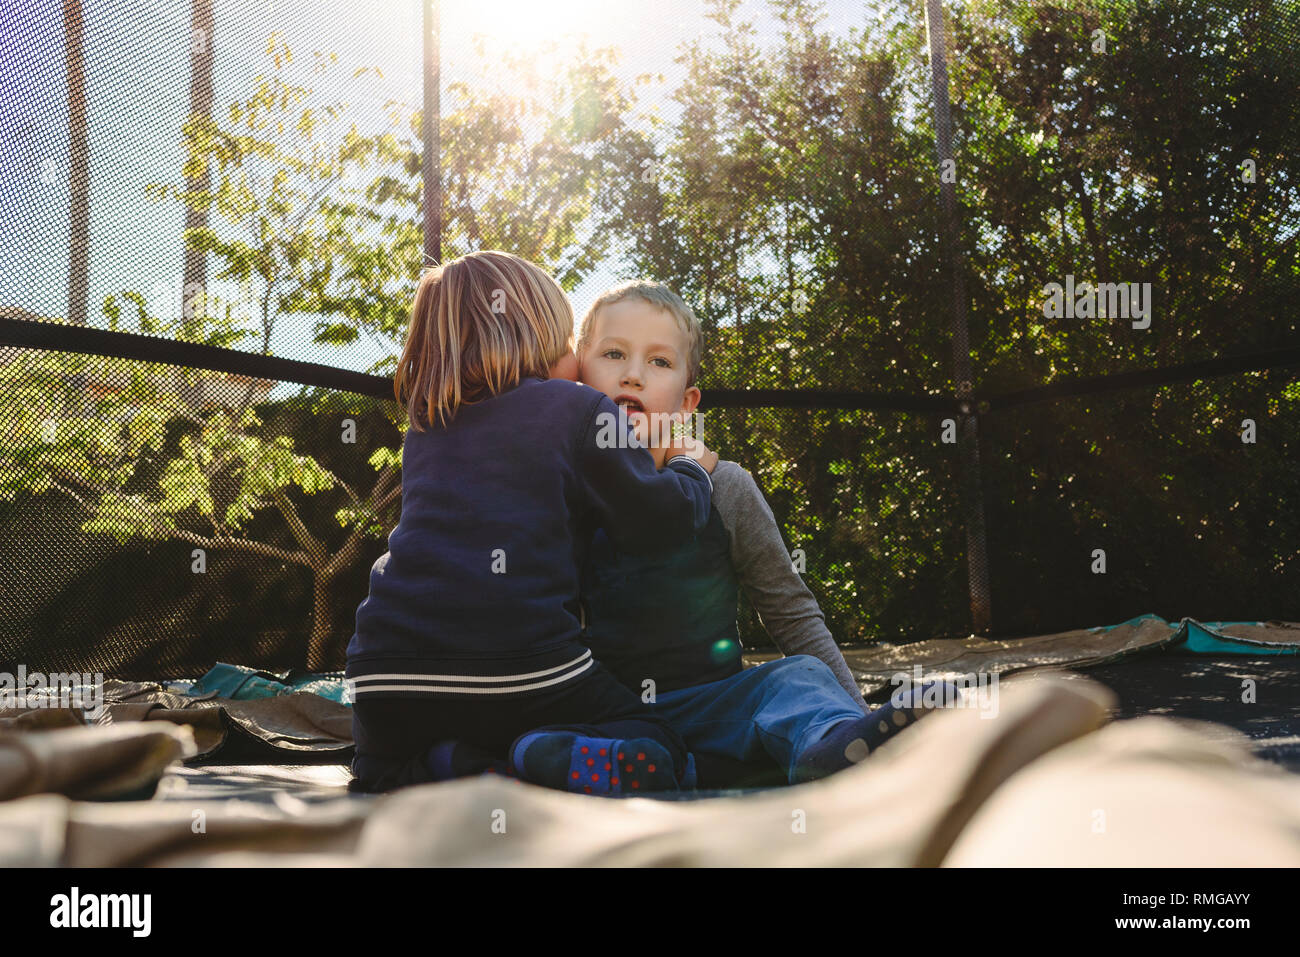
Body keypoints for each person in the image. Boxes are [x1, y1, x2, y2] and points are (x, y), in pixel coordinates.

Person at [345, 252, 720, 796]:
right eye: (571, 343)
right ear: (543, 340)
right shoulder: (579, 407)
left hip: (382, 675)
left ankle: (456, 763)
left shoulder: (428, 419)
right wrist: (690, 471)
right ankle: (526, 757)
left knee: (382, 773)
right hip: (517, 664)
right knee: (656, 735)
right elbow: (655, 524)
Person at [574, 280, 954, 786]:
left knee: (798, 680)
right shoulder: (561, 491)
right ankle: (666, 766)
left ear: (687, 402)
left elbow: (791, 613)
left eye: (660, 362)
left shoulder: (725, 486)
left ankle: (834, 746)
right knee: (542, 721)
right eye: (614, 353)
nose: (634, 374)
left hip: (716, 707)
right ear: (578, 375)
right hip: (606, 710)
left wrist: (855, 715)